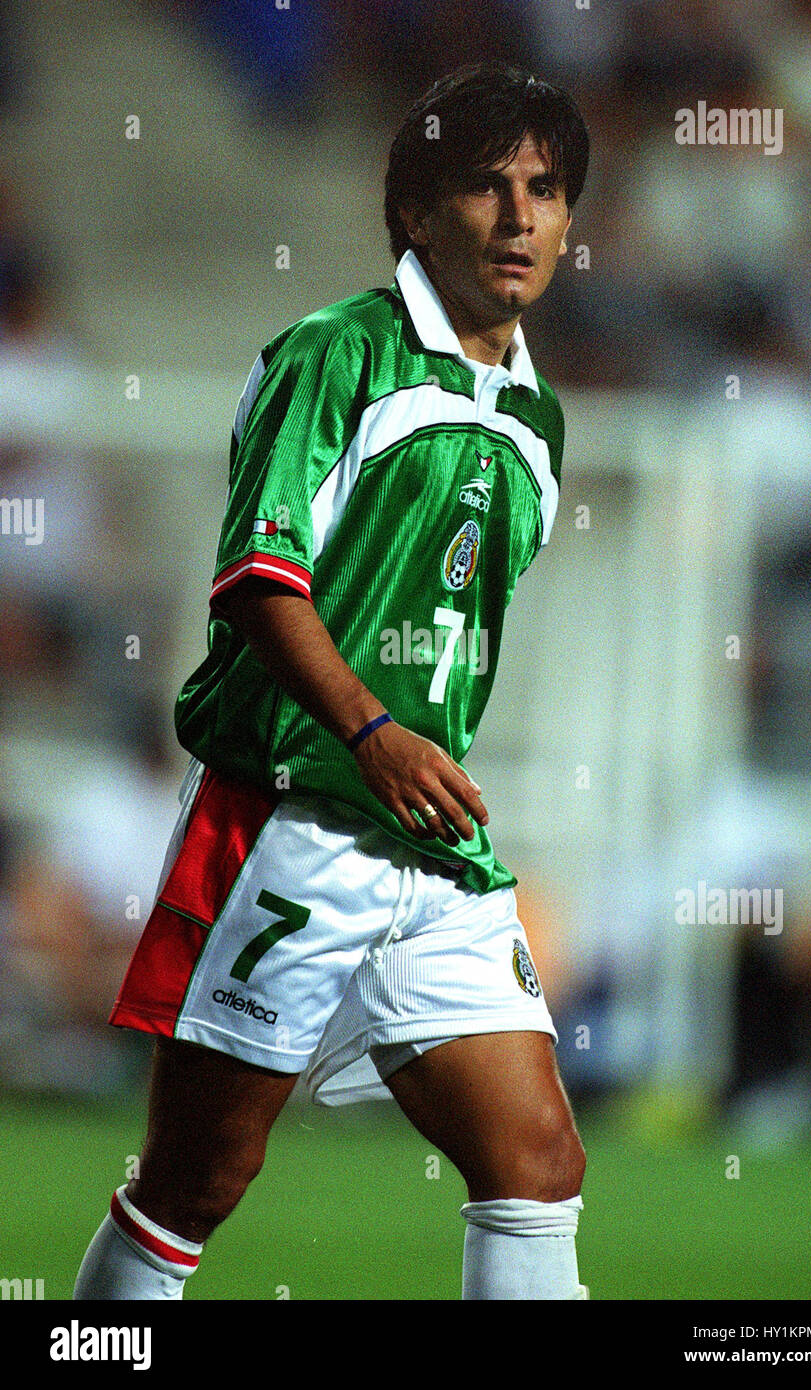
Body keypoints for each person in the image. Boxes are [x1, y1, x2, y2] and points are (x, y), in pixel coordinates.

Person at [74, 60, 591, 1301]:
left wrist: (406, 745)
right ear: (414, 213)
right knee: (195, 1179)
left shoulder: (539, 417)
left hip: (430, 839)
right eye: (484, 186)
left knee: (535, 1162)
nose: (520, 217)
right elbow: (259, 579)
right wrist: (369, 728)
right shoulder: (336, 353)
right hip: (290, 816)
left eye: (546, 189)